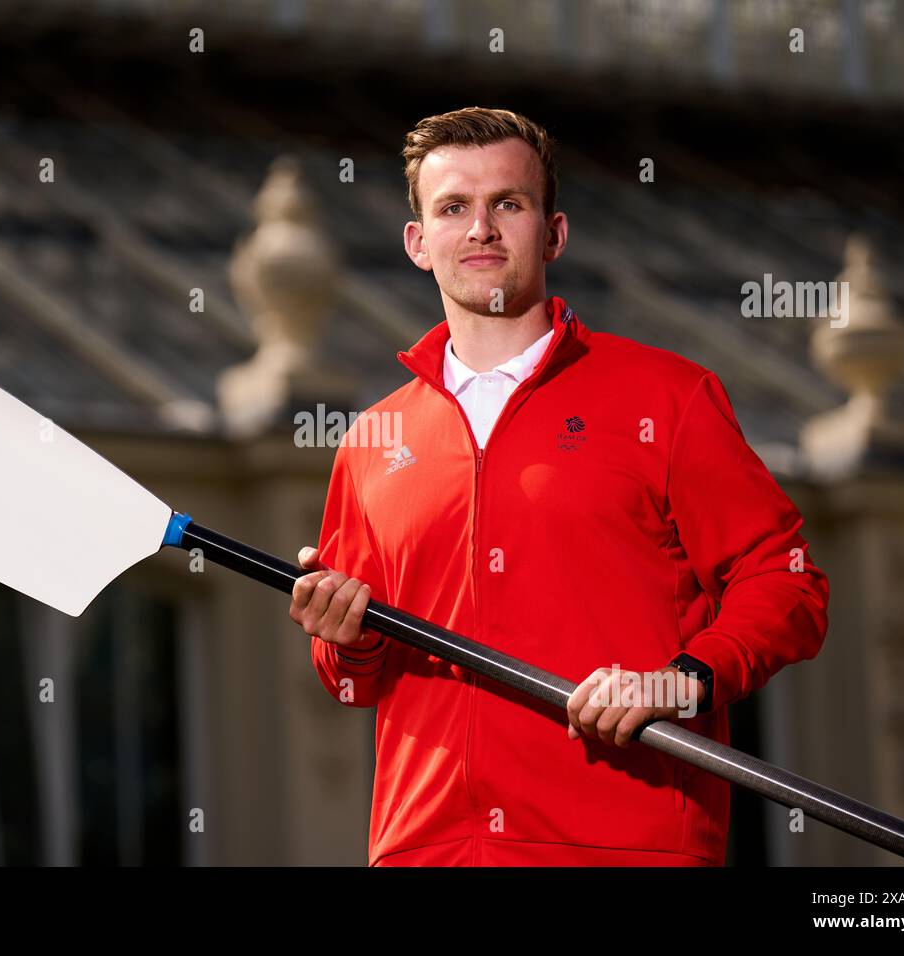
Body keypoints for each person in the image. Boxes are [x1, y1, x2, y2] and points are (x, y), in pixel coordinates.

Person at [290, 107, 829, 866]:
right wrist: (344, 638)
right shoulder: (374, 439)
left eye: (507, 203)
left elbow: (789, 581)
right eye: (453, 208)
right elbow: (356, 677)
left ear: (553, 234)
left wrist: (681, 683)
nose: (480, 228)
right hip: (428, 851)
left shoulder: (666, 397)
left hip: (625, 846)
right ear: (418, 242)